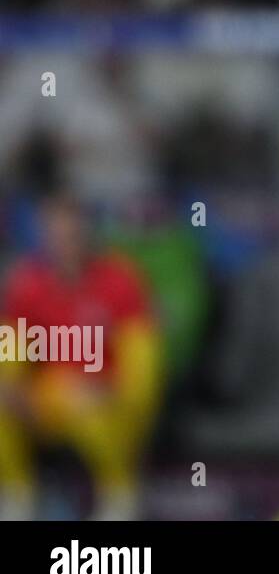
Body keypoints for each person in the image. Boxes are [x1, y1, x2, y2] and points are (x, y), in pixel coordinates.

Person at [0, 191, 162, 520]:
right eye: (54, 235)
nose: (64, 245)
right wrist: (9, 385)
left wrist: (119, 395)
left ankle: (119, 496)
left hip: (106, 400)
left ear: (88, 233)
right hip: (49, 398)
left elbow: (143, 364)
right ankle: (17, 498)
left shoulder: (121, 281)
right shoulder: (26, 284)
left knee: (94, 414)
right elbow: (9, 351)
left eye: (72, 234)